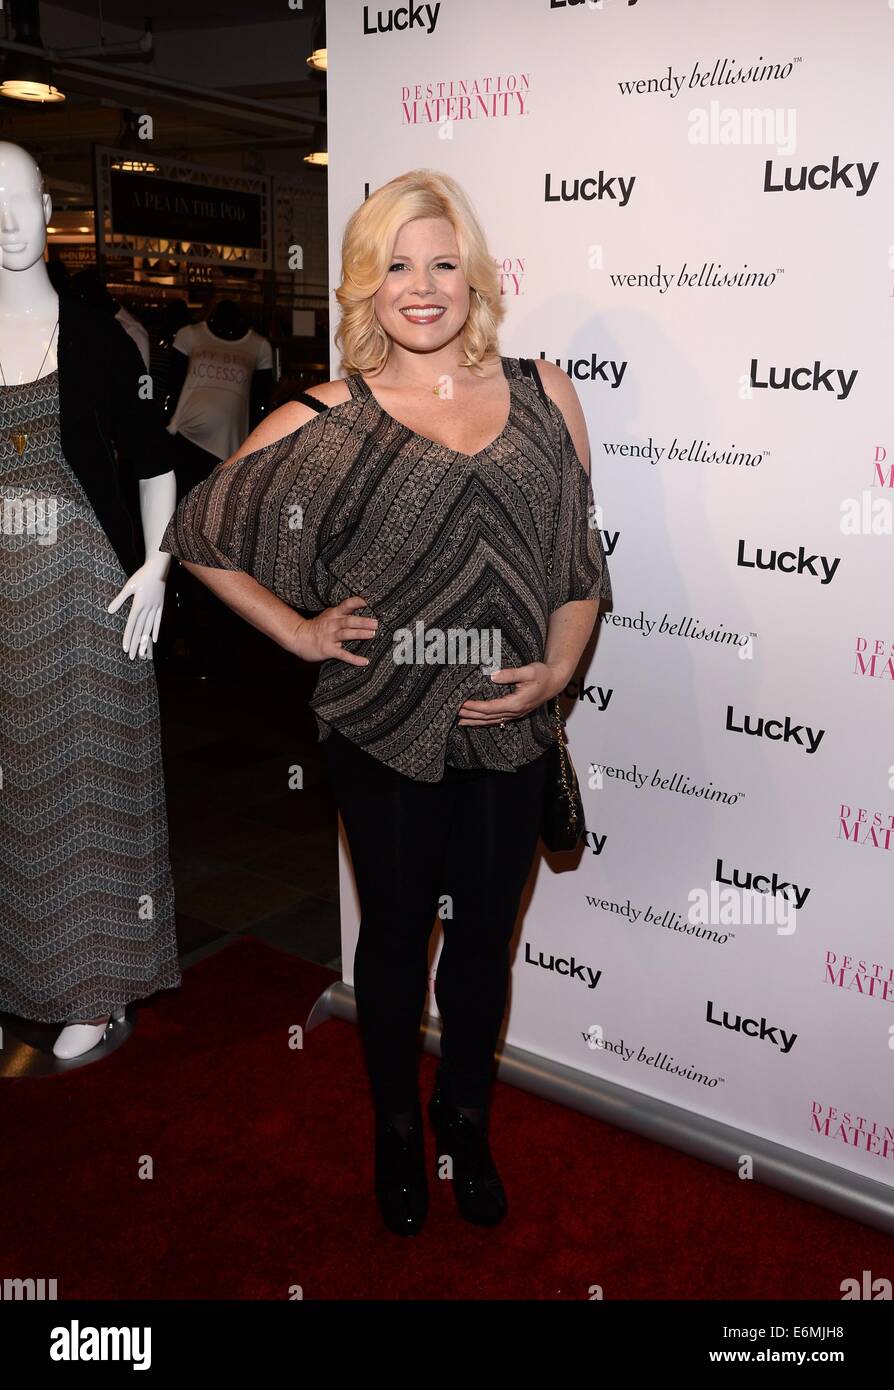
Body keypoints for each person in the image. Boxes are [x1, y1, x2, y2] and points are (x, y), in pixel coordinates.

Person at [160, 168, 612, 1236]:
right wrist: (303, 631)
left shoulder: (547, 392)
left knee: (484, 952)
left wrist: (555, 673)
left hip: (508, 733)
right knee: (397, 942)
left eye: (442, 262)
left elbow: (578, 566)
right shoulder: (328, 412)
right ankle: (396, 1134)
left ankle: (465, 1120)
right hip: (382, 731)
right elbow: (198, 533)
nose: (422, 286)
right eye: (397, 266)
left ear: (475, 277)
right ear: (366, 286)